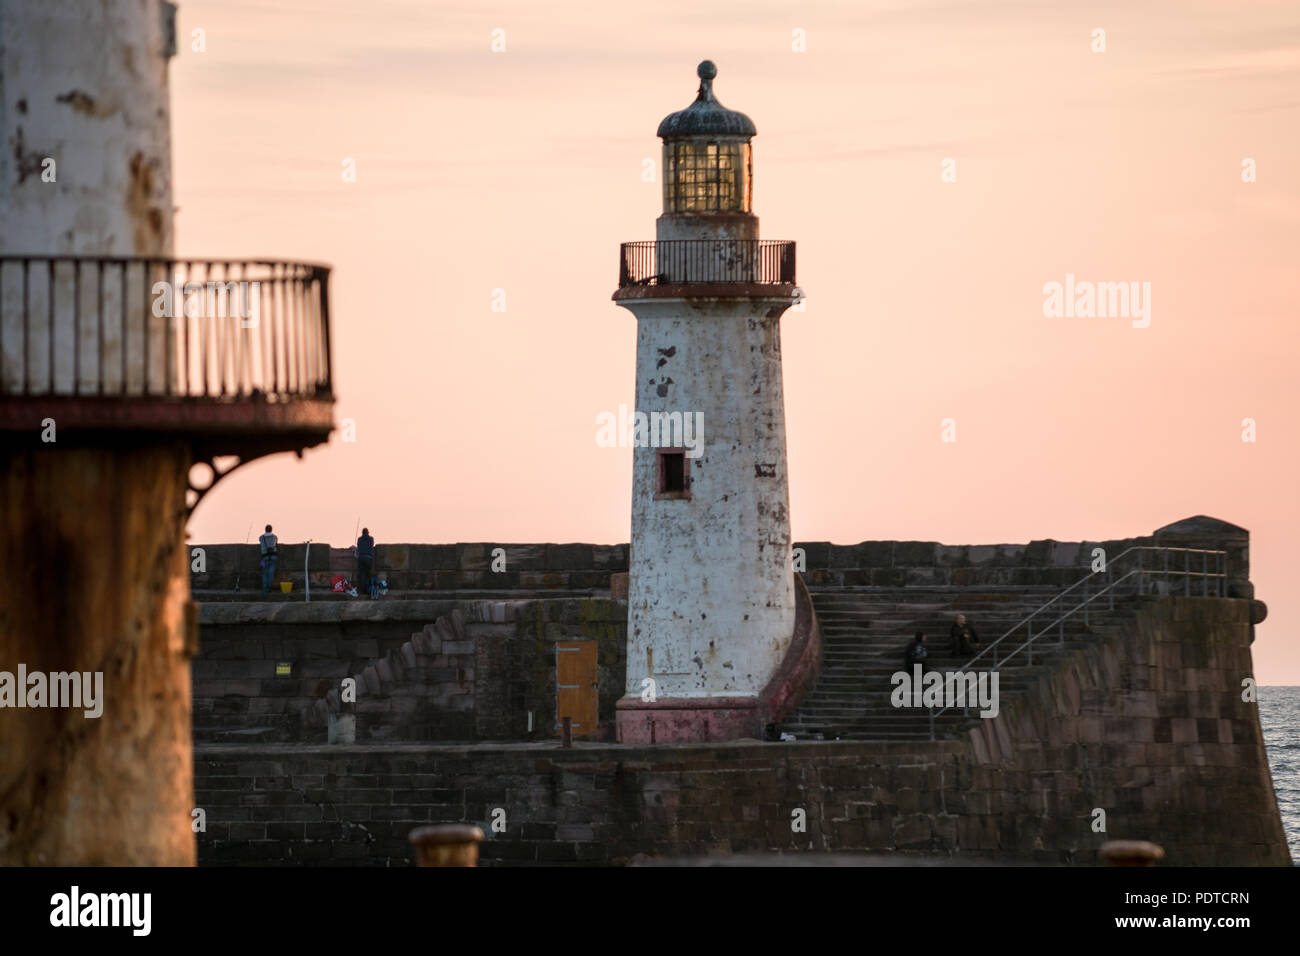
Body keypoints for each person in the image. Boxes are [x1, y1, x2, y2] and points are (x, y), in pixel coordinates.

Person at [355, 527, 375, 598]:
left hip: (361, 558)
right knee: (368, 574)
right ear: (368, 532)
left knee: (362, 574)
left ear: (362, 533)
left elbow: (358, 547)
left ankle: (363, 590)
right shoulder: (371, 539)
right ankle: (368, 590)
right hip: (368, 558)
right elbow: (371, 546)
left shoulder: (359, 539)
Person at [259, 524, 278, 594]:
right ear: (271, 530)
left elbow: (260, 541)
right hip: (273, 557)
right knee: (271, 573)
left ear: (265, 530)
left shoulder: (261, 537)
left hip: (264, 558)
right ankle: (269, 588)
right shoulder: (274, 537)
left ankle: (264, 589)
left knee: (264, 573)